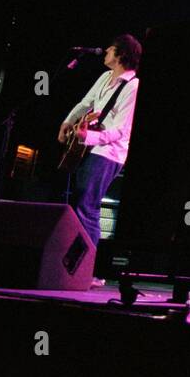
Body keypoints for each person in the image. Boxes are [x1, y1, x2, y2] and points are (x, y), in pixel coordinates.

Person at [58, 34, 141, 250]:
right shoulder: (105, 77)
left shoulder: (133, 86)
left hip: (109, 153)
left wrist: (88, 136)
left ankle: (89, 267)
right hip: (89, 147)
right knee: (78, 203)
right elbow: (86, 103)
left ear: (121, 54)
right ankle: (76, 264)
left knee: (88, 206)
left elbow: (121, 131)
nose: (105, 51)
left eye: (110, 48)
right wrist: (67, 121)